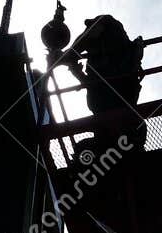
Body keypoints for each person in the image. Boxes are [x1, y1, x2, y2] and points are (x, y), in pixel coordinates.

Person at [59, 14, 146, 149]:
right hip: (111, 99)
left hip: (117, 96)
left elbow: (84, 40)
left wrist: (67, 56)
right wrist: (71, 62)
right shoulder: (106, 49)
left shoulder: (107, 24)